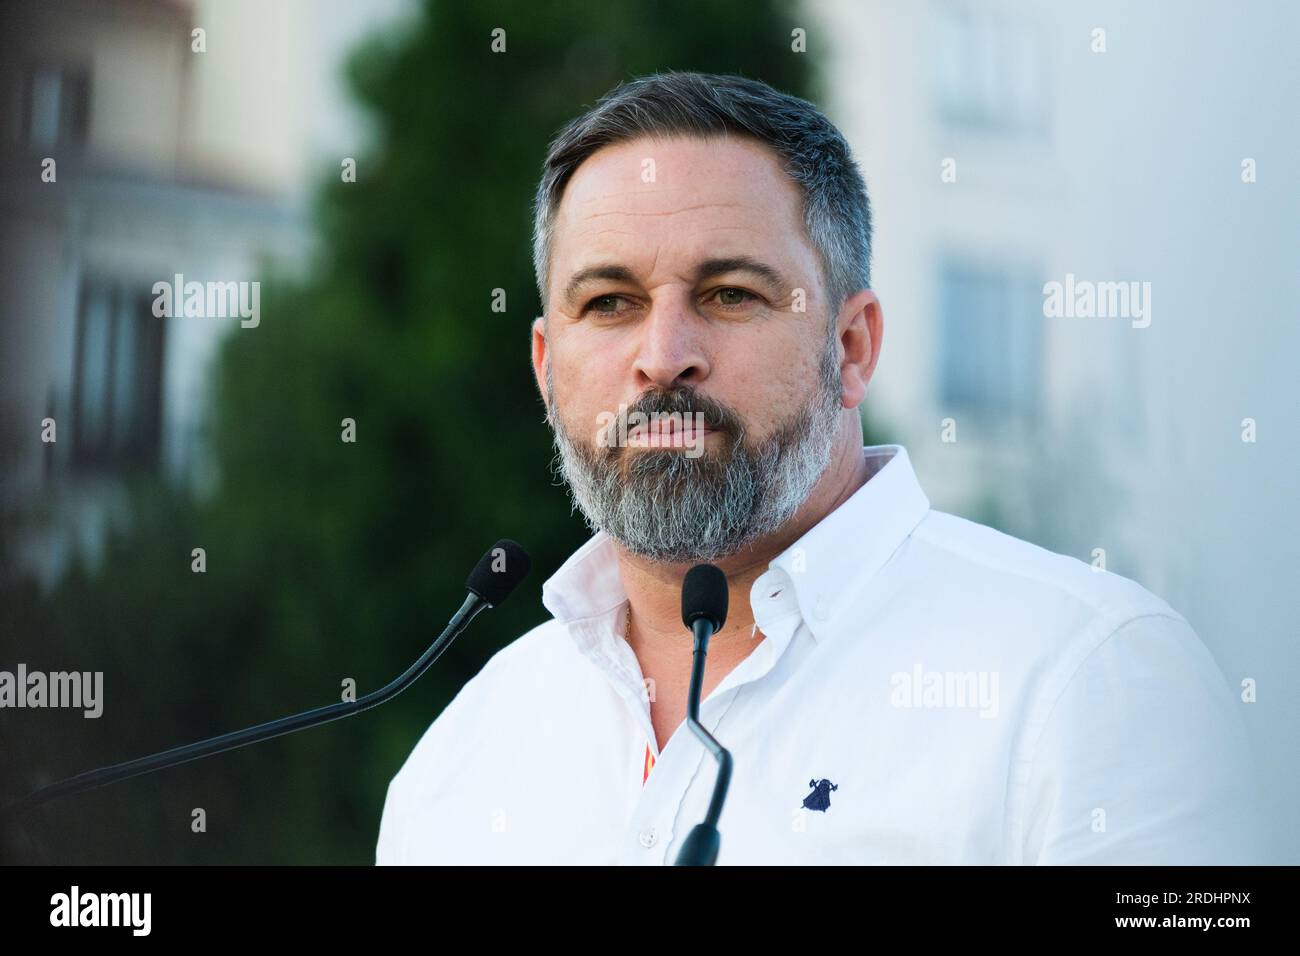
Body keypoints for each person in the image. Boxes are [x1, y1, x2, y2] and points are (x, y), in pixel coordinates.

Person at [376, 71, 1263, 865]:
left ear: (852, 344)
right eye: (610, 303)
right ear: (546, 366)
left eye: (729, 295)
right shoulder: (464, 756)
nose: (663, 356)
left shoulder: (1088, 681)